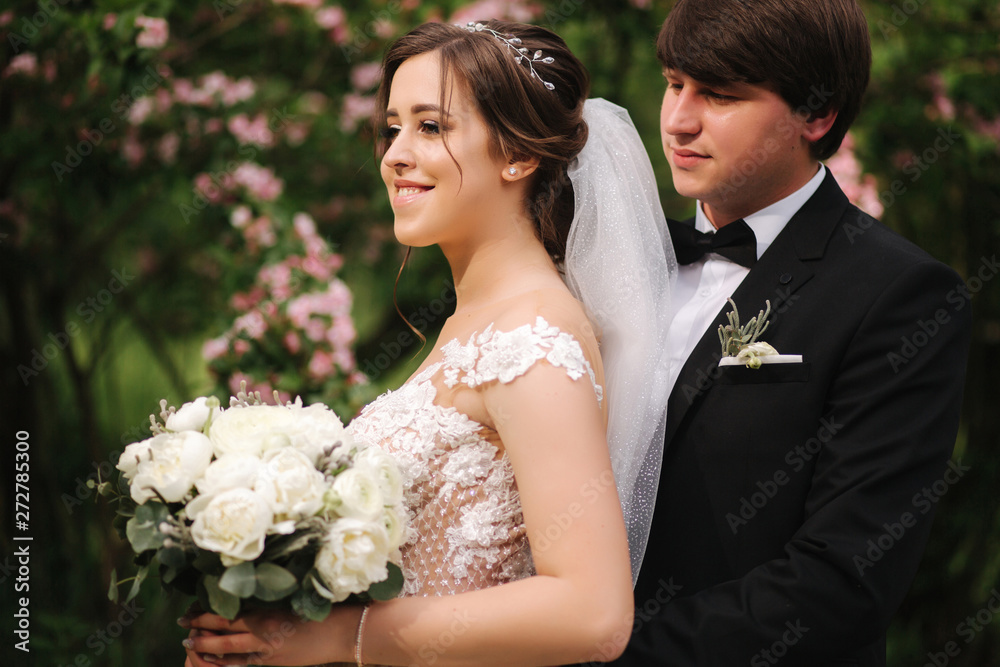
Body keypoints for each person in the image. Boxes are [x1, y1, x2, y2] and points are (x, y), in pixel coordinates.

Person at [182, 19, 675, 667]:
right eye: (393, 128)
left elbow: (593, 611)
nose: (394, 154)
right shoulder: (472, 322)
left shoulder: (531, 339)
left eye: (431, 126)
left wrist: (340, 637)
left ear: (517, 155)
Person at [612, 1, 972, 665]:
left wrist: (596, 649)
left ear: (817, 113)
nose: (679, 120)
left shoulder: (899, 295)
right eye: (673, 84)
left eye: (719, 94)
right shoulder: (619, 261)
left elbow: (841, 582)